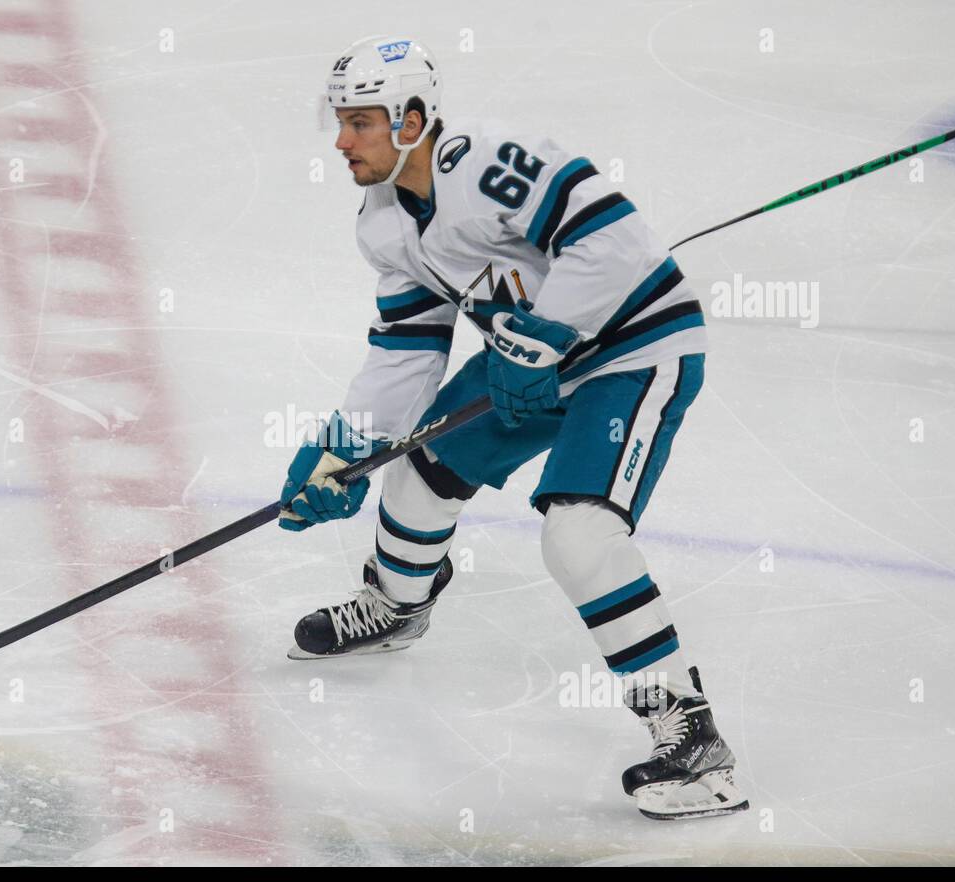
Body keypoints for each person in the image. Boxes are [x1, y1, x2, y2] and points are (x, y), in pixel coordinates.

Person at [276, 35, 747, 820]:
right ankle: (399, 604)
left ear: (413, 118)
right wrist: (343, 449)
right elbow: (407, 349)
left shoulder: (487, 163)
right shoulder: (385, 220)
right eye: (341, 120)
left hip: (636, 346)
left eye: (360, 121)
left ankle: (694, 740)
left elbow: (609, 239)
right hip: (535, 361)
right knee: (419, 469)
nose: (341, 139)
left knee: (578, 536)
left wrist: (540, 337)